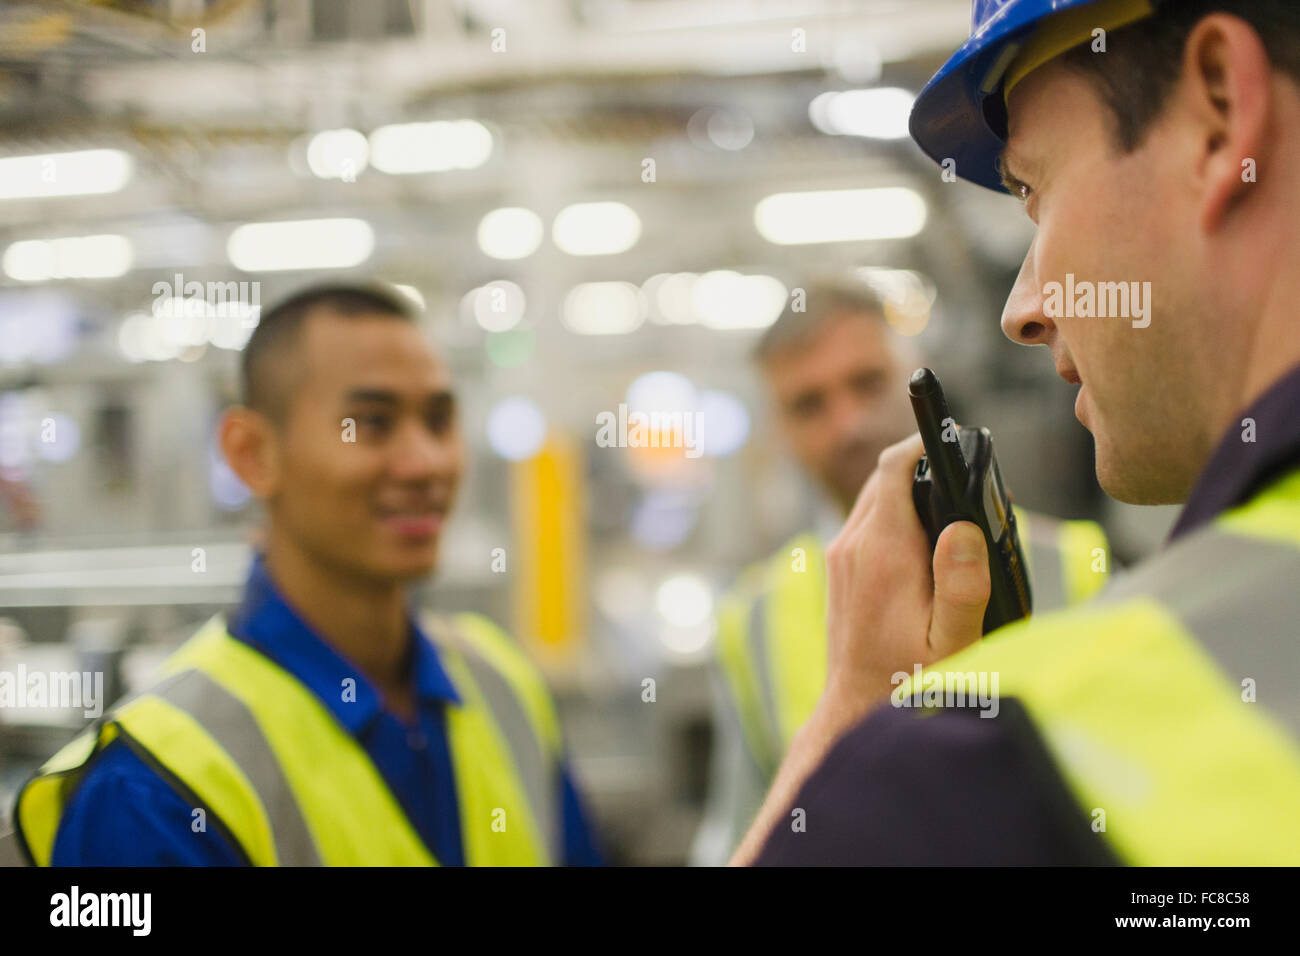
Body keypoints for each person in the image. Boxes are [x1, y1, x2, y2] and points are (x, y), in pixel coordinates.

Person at [731, 0, 1300, 865]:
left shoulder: (971, 780)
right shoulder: (759, 628)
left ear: (1219, 110)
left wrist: (850, 728)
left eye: (1034, 189)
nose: (1022, 311)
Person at [9, 284, 603, 866]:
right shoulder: (152, 789)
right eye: (372, 423)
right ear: (252, 454)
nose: (426, 462)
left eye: (439, 419)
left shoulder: (503, 686)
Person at [691, 277, 1110, 864]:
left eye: (867, 383)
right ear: (781, 431)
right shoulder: (753, 619)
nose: (848, 425)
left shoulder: (1077, 566)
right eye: (808, 404)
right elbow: (737, 831)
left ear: (921, 377)